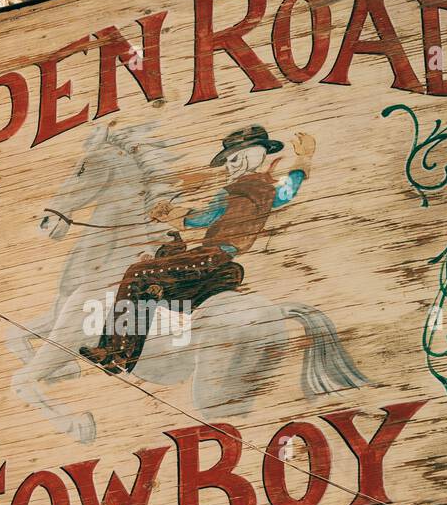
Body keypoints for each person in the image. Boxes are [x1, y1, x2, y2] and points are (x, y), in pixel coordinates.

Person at [80, 124, 315, 374]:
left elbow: (201, 219)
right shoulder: (268, 192)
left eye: (233, 159)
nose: (229, 166)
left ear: (249, 156)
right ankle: (123, 349)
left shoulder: (231, 191)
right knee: (154, 271)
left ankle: (116, 352)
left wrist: (169, 213)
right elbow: (288, 191)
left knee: (137, 272)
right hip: (223, 258)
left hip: (210, 256)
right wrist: (304, 158)